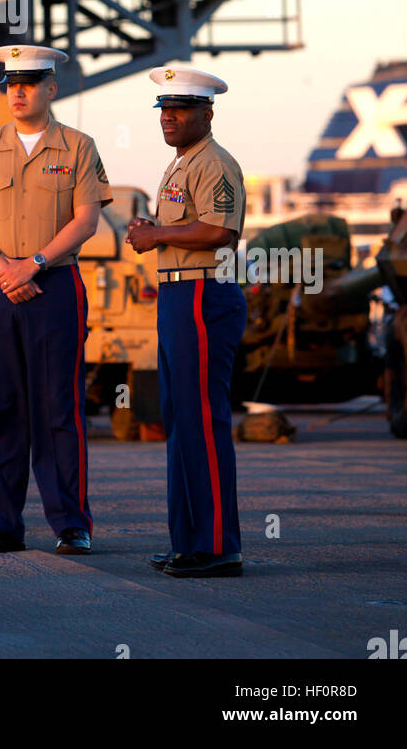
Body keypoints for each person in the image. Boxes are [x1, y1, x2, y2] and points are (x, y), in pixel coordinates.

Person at [0, 44, 112, 555]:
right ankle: (0, 525)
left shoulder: (78, 147)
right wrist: (5, 270)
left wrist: (34, 264)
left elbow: (87, 219)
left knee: (58, 409)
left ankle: (72, 525)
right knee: (2, 408)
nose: (17, 92)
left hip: (55, 286)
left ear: (51, 88)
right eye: (10, 84)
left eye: (28, 83)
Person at [126, 63, 247, 578]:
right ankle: (188, 541)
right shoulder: (181, 163)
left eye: (180, 110)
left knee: (202, 420)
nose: (168, 118)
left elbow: (219, 230)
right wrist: (156, 230)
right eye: (165, 110)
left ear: (208, 113)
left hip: (202, 293)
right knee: (180, 421)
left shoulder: (213, 162)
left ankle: (218, 546)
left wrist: (156, 237)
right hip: (178, 296)